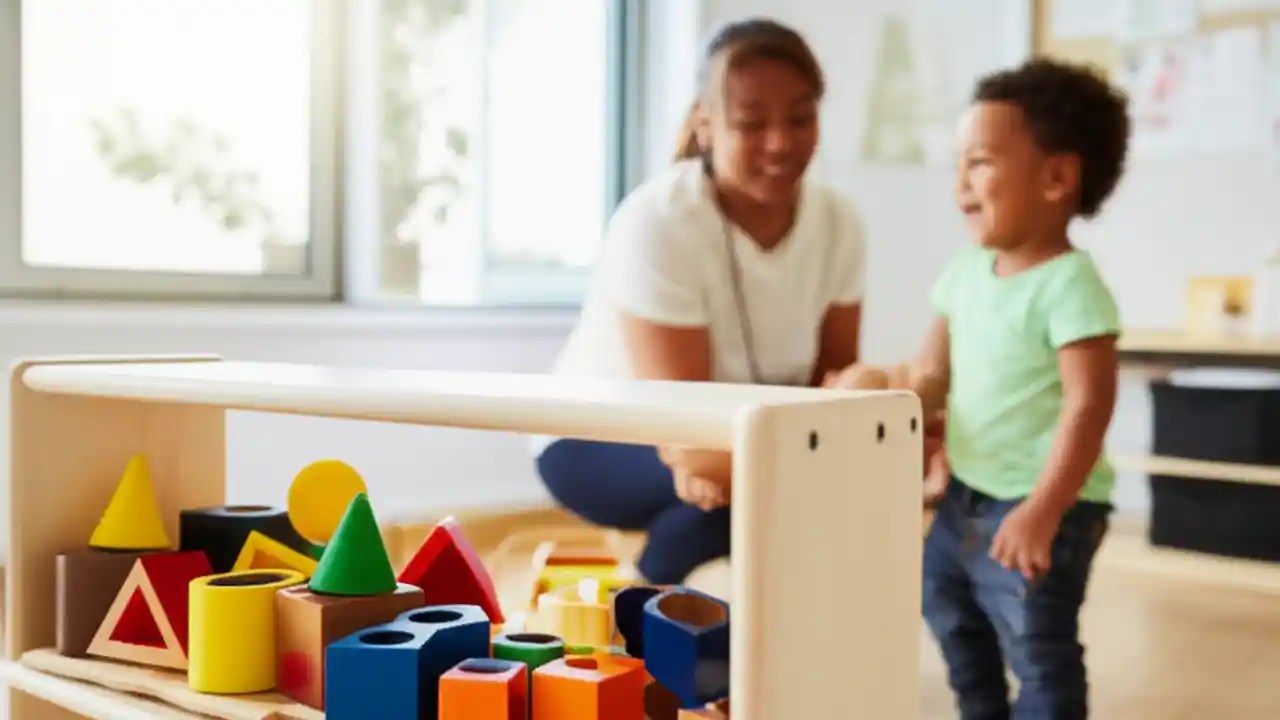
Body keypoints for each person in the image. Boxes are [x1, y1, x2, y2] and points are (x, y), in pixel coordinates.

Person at [532, 18, 869, 585]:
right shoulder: (659, 221)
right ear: (705, 125)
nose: (780, 142)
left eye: (800, 118)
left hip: (739, 439)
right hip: (600, 434)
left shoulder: (839, 222)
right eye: (752, 123)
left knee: (739, 501)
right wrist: (812, 460)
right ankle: (640, 623)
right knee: (745, 496)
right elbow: (684, 425)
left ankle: (648, 612)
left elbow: (831, 391)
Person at [840, 58, 1129, 718]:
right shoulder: (966, 270)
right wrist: (869, 394)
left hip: (1044, 502)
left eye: (979, 163)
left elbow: (1089, 405)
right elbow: (929, 376)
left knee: (1036, 644)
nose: (960, 186)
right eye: (958, 166)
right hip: (965, 493)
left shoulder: (1070, 284)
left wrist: (1043, 511)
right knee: (946, 606)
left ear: (1056, 178)